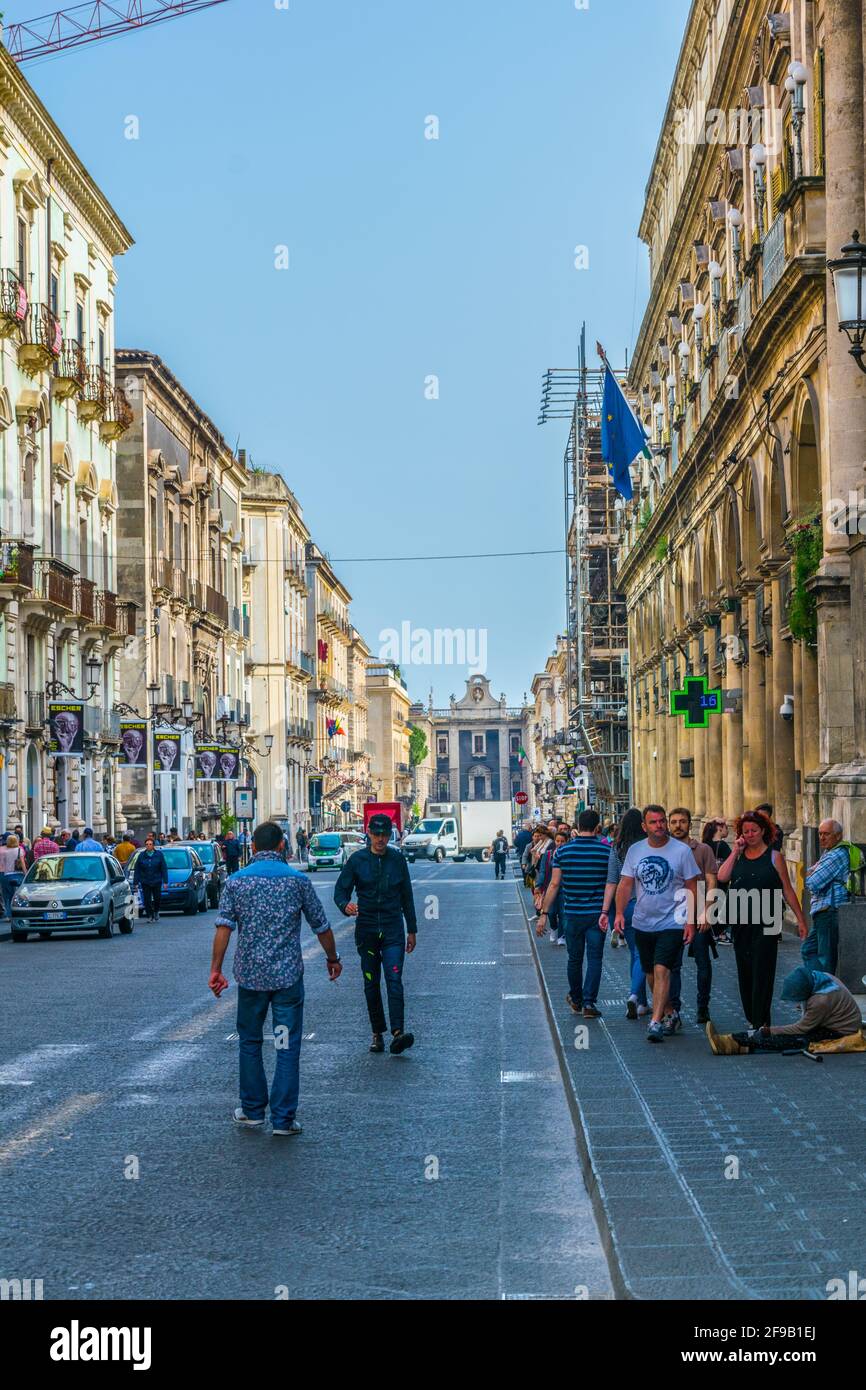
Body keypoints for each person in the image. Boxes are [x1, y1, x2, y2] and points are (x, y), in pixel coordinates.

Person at [209, 820, 342, 1135]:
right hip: (287, 977)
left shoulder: (237, 882)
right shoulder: (297, 881)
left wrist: (216, 969)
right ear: (282, 846)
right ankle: (283, 1119)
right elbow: (321, 926)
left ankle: (253, 1110)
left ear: (253, 847)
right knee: (286, 1045)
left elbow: (223, 928)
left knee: (250, 1042)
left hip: (250, 977)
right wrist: (333, 958)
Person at [613, 805, 699, 1043]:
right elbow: (625, 884)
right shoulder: (635, 851)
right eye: (653, 822)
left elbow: (692, 886)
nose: (659, 826)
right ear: (644, 826)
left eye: (662, 821)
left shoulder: (681, 851)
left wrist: (690, 920)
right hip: (642, 922)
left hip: (672, 921)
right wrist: (619, 913)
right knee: (650, 973)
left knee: (662, 969)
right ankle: (671, 1012)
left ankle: (656, 1021)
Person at [334, 812, 417, 1055]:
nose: (380, 839)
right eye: (376, 834)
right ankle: (377, 1033)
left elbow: (407, 897)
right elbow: (340, 891)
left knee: (394, 979)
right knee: (371, 983)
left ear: (390, 835)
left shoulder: (397, 859)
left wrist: (412, 930)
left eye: (384, 835)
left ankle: (398, 1032)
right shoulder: (357, 860)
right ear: (368, 833)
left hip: (393, 929)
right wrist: (345, 906)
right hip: (367, 930)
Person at [717, 809, 807, 1030]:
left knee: (763, 972)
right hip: (741, 923)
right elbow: (722, 876)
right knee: (745, 972)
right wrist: (735, 851)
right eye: (745, 831)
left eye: (753, 830)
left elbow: (787, 890)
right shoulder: (738, 854)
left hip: (767, 923)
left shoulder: (775, 857)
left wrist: (801, 920)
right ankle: (752, 1018)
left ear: (764, 831)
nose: (749, 835)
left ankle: (761, 1021)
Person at [537, 810, 611, 1019]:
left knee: (574, 959)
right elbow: (611, 883)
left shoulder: (563, 851)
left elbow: (554, 884)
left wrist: (544, 913)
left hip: (571, 914)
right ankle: (589, 1003)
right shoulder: (606, 851)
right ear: (597, 827)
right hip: (597, 914)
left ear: (577, 827)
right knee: (595, 958)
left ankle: (576, 1000)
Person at [706, 965, 865, 1055]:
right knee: (778, 1033)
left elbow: (801, 1028)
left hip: (841, 1031)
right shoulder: (823, 977)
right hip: (833, 1023)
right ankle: (731, 1039)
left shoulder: (820, 1001)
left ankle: (731, 1044)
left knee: (793, 1040)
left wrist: (771, 1030)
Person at [667, 807, 719, 1026]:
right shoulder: (663, 850)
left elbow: (711, 882)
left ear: (689, 824)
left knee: (703, 963)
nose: (678, 826)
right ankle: (674, 1009)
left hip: (697, 914)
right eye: (674, 822)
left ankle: (702, 1007)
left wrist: (707, 911)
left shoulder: (703, 850)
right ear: (669, 825)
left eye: (682, 822)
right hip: (671, 917)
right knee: (672, 965)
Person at [601, 808, 650, 1019]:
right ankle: (633, 996)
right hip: (646, 905)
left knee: (635, 953)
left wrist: (606, 911)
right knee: (643, 954)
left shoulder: (617, 847)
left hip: (625, 906)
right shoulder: (648, 846)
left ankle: (641, 1002)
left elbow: (612, 881)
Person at [801, 819, 851, 976]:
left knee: (825, 958)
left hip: (829, 910)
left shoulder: (835, 855)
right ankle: (818, 985)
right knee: (808, 949)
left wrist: (811, 874)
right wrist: (811, 873)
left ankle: (825, 992)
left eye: (826, 834)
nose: (822, 838)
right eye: (820, 834)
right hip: (822, 910)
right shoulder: (828, 853)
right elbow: (807, 873)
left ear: (838, 836)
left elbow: (813, 883)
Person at [701, 817, 733, 942]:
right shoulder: (723, 846)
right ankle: (719, 933)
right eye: (726, 828)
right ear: (719, 829)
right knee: (720, 906)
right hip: (720, 880)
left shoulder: (705, 844)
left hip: (706, 880)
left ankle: (711, 930)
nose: (727, 831)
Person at [535, 830, 568, 946]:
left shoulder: (569, 855)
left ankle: (561, 936)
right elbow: (543, 871)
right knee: (552, 913)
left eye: (563, 841)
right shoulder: (548, 854)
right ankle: (553, 928)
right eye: (558, 841)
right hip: (551, 888)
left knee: (563, 914)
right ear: (554, 841)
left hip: (564, 889)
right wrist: (538, 885)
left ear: (567, 842)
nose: (560, 843)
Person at [133, 834, 169, 921]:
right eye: (147, 844)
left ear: (153, 845)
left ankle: (156, 911)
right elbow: (137, 869)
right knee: (147, 899)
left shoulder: (159, 854)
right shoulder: (141, 855)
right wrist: (136, 882)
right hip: (145, 880)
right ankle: (149, 915)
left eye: (150, 844)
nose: (148, 846)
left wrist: (165, 881)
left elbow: (163, 868)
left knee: (157, 898)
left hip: (156, 880)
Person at [0, 833, 27, 918]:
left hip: (7, 874)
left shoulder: (5, 852)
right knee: (18, 894)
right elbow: (22, 863)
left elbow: (3, 865)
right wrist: (26, 873)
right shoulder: (20, 850)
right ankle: (18, 912)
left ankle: (9, 914)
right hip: (18, 874)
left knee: (7, 895)